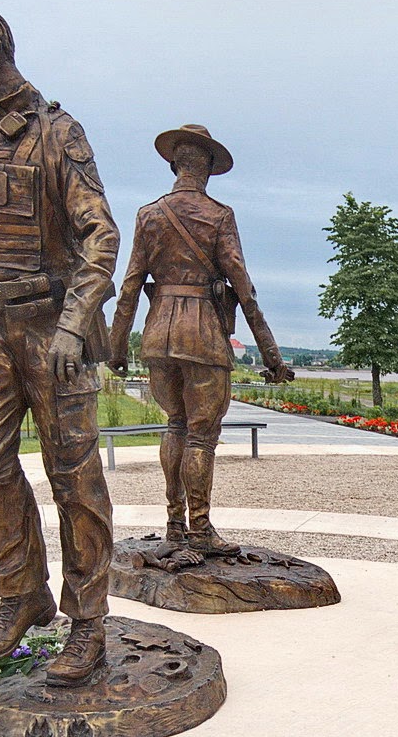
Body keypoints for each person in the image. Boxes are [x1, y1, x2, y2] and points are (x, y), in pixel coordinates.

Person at [0, 3, 118, 685]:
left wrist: (74, 324)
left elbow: (101, 236)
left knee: (74, 478)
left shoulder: (57, 134)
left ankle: (88, 620)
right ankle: (22, 594)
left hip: (51, 332)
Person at [108, 124, 293, 559]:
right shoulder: (219, 215)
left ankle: (174, 524)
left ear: (175, 164)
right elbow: (243, 289)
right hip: (204, 335)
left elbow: (130, 286)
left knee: (175, 425)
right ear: (207, 168)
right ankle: (200, 530)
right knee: (201, 436)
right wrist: (272, 356)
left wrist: (115, 349)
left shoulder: (147, 215)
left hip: (158, 335)